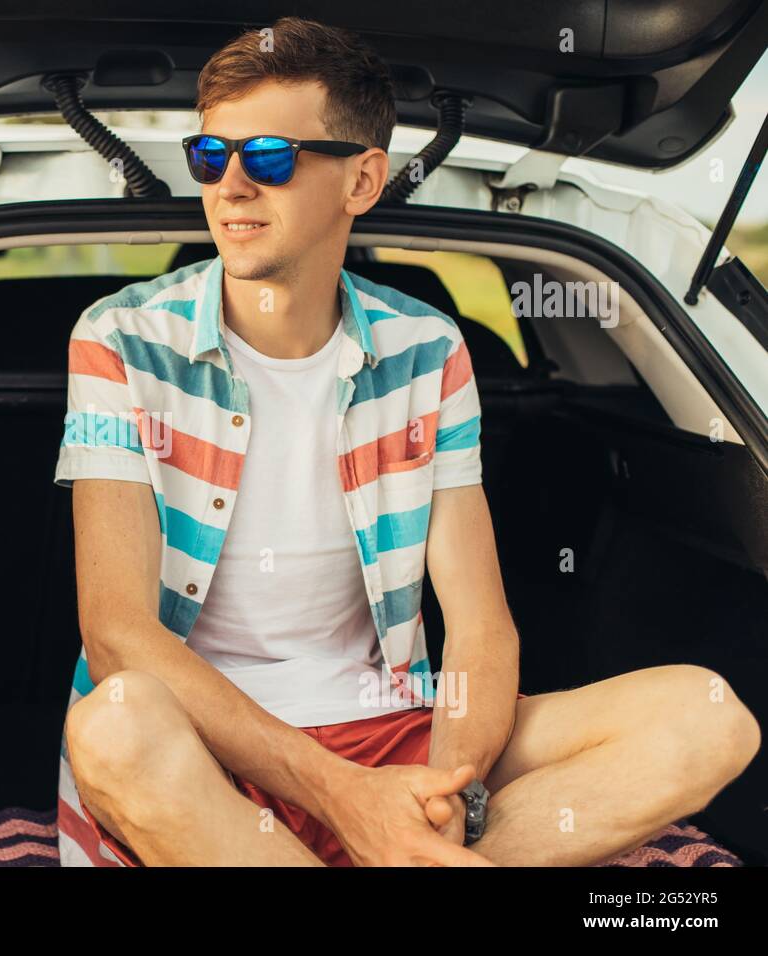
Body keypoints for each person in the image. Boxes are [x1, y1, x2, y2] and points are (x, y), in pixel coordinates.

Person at [52, 16, 760, 866]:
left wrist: (446, 794)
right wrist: (342, 795)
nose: (230, 186)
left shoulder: (430, 350)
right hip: (206, 751)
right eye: (212, 156)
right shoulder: (120, 339)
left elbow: (481, 628)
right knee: (114, 728)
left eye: (269, 157)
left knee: (707, 717)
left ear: (362, 180)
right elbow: (118, 634)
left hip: (398, 735)